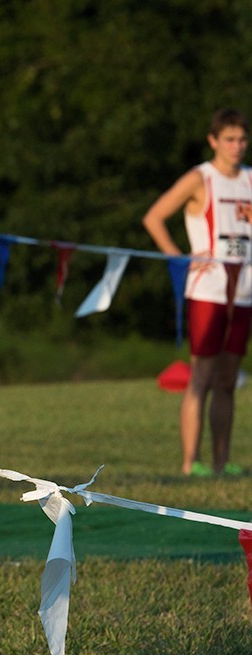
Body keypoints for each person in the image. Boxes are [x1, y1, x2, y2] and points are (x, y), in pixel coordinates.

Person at [143, 107, 252, 476]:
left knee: (228, 378)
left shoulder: (250, 180)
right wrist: (180, 258)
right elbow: (154, 216)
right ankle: (191, 463)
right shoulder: (199, 178)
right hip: (207, 290)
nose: (237, 146)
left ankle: (222, 462)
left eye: (242, 139)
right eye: (230, 139)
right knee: (201, 376)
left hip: (244, 292)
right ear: (214, 141)